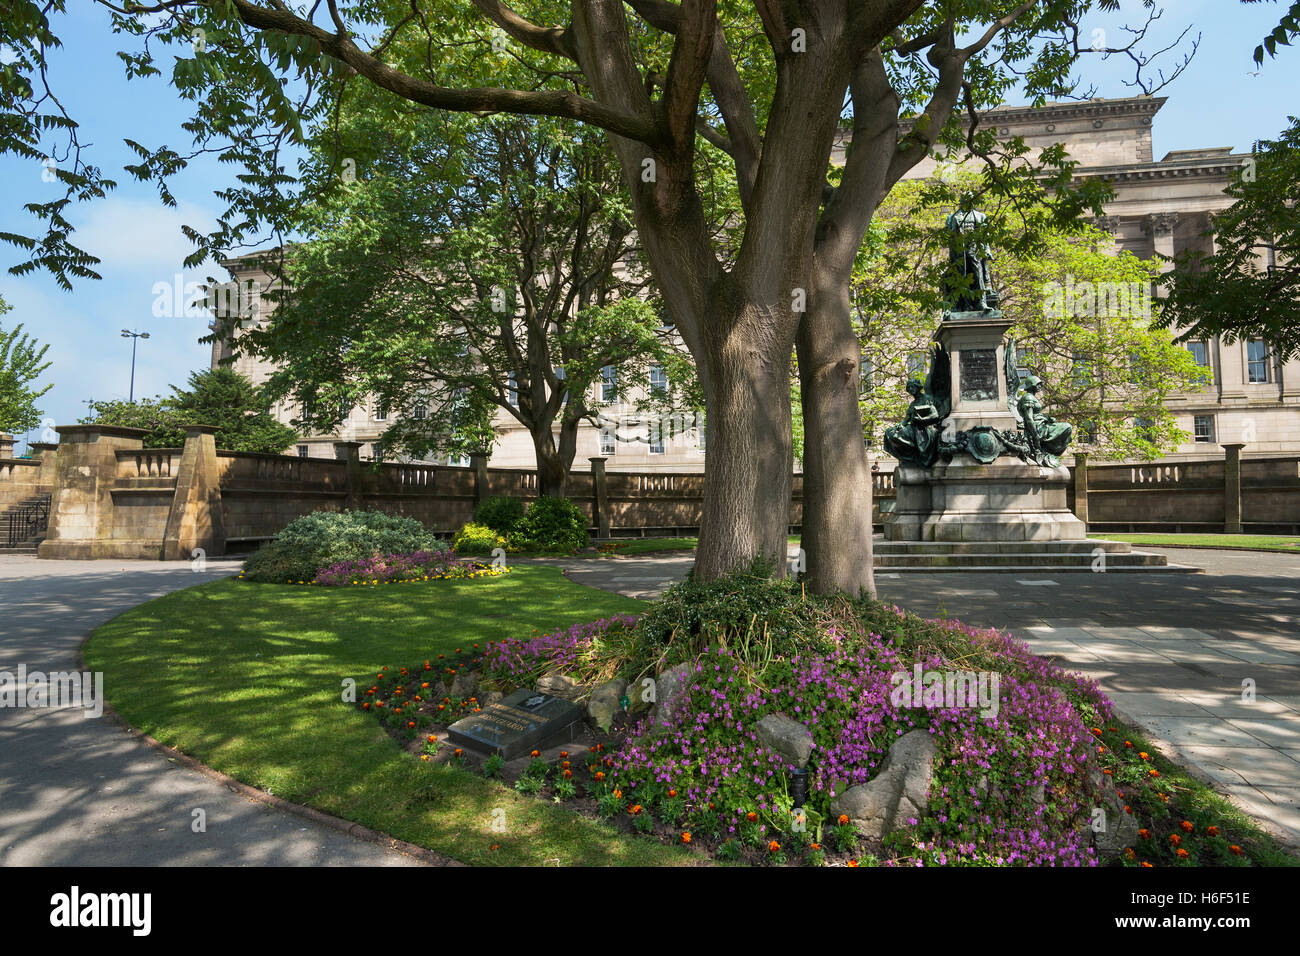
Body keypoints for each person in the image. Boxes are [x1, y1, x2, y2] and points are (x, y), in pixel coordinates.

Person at [883, 379, 944, 467]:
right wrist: (900, 425)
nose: (911, 389)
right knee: (890, 432)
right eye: (909, 388)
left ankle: (914, 453)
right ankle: (909, 455)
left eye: (913, 387)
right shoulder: (912, 404)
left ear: (918, 387)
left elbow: (935, 415)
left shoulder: (927, 399)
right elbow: (906, 419)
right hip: (913, 427)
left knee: (916, 438)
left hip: (925, 428)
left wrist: (921, 419)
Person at [1017, 375, 1072, 462]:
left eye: (1040, 384)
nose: (1040, 387)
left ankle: (1050, 451)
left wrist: (1048, 419)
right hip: (1038, 427)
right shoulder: (1028, 397)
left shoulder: (1032, 397)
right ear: (1032, 385)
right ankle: (1050, 449)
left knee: (1067, 429)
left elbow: (1036, 414)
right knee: (1067, 427)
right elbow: (1029, 418)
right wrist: (1036, 436)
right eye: (1038, 384)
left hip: (1043, 424)